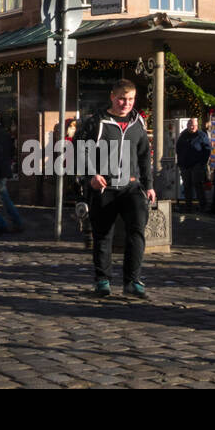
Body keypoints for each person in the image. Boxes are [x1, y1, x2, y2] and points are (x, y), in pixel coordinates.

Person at [77, 79, 155, 298]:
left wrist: (148, 186)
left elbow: (144, 156)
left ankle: (133, 281)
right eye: (121, 98)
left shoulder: (137, 122)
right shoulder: (96, 122)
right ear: (112, 96)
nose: (126, 103)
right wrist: (91, 175)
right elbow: (79, 151)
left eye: (130, 99)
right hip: (105, 188)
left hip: (131, 187)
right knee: (103, 235)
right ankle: (102, 280)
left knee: (137, 232)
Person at [175, 120, 212, 212]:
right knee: (187, 186)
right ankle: (188, 206)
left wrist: (202, 163)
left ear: (197, 126)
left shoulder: (201, 135)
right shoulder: (183, 135)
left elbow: (207, 150)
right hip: (185, 165)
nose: (192, 127)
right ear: (187, 125)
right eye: (191, 125)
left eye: (194, 125)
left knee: (198, 185)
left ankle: (203, 206)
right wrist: (180, 163)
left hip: (197, 164)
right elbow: (178, 149)